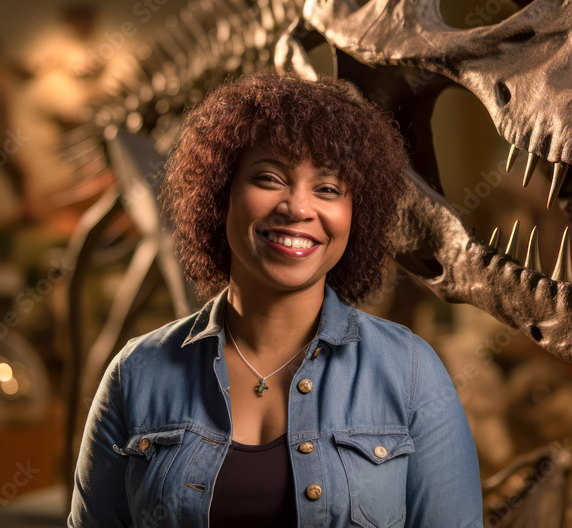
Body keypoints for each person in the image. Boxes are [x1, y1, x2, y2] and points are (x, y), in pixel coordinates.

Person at [67, 70, 483, 527]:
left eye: (327, 188)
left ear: (355, 214)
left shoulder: (410, 373)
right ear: (219, 193)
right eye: (269, 178)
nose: (297, 208)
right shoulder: (137, 374)